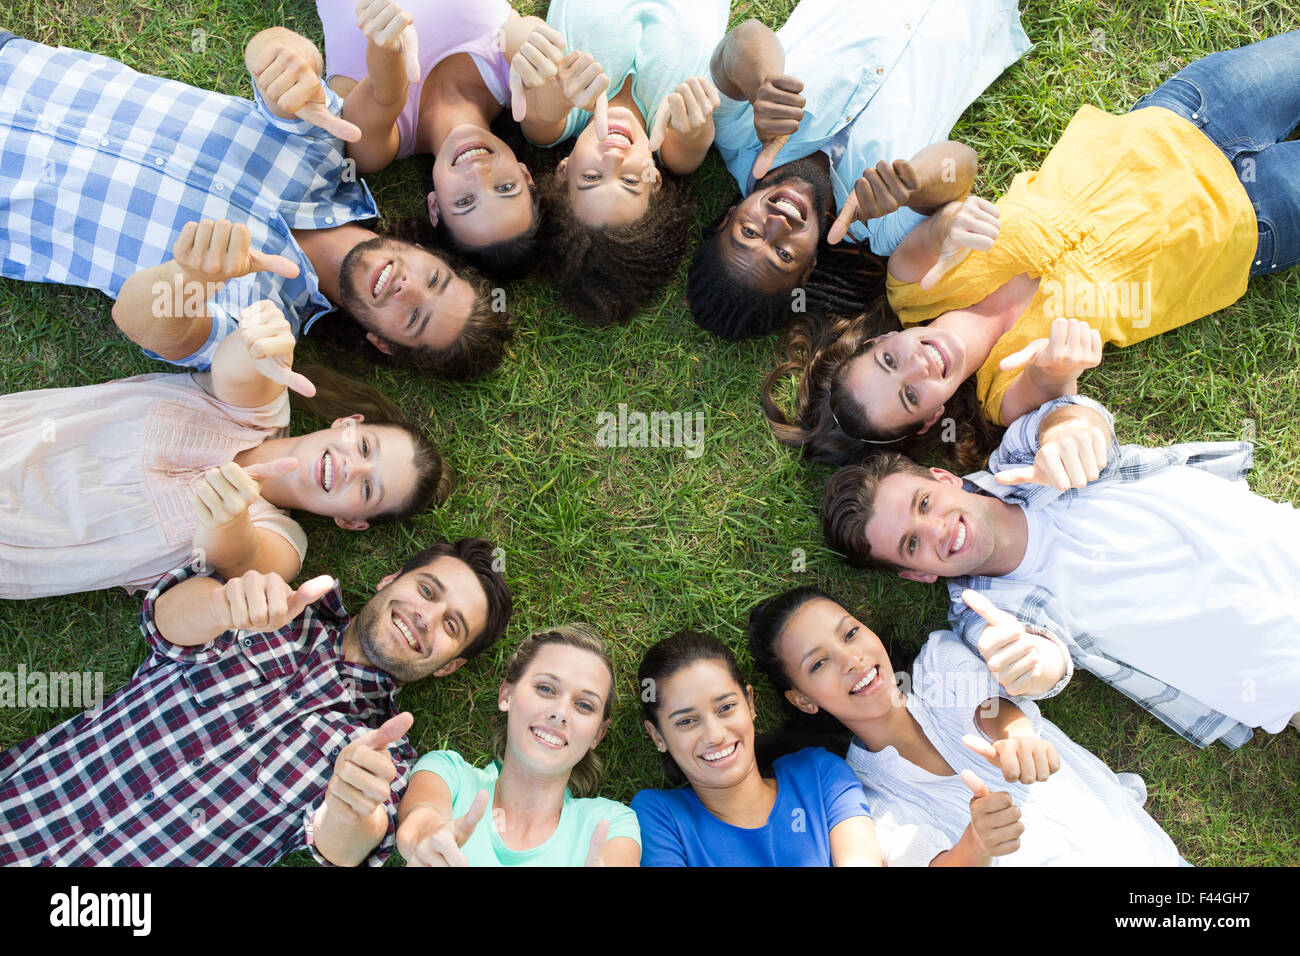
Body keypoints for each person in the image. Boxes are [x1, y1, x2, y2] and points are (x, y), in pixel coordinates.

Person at [790, 31, 1300, 464]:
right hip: (1246, 226)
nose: (917, 366)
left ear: (877, 343)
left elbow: (939, 227)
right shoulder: (1002, 398)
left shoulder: (912, 284)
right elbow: (1050, 394)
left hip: (1185, 120)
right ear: (929, 420)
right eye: (909, 395)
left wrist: (950, 221)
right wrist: (1057, 371)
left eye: (888, 363)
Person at [0, 29, 511, 381]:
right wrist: (286, 58)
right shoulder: (330, 155)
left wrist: (190, 277)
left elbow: (140, 321)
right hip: (22, 71)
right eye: (436, 279)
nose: (408, 288)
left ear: (383, 344)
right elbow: (278, 54)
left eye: (415, 318)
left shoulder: (262, 329)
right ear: (433, 253)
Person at [822, 393, 1300, 749]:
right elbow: (1047, 667)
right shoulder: (984, 616)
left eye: (923, 503)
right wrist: (1031, 666)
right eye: (911, 544)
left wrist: (1067, 433)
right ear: (918, 574)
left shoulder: (1019, 460)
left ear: (945, 478)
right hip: (1279, 670)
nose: (936, 529)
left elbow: (1075, 418)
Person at [0, 538, 512, 866]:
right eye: (427, 590)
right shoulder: (274, 607)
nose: (427, 616)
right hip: (20, 805)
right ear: (387, 581)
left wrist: (349, 804)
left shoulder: (385, 759)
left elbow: (342, 847)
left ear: (449, 665)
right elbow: (165, 625)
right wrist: (223, 604)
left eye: (451, 626)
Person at [0, 301, 448, 599]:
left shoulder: (283, 542)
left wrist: (230, 519)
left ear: (350, 521)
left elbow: (239, 557)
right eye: (366, 447)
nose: (353, 467)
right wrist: (258, 341)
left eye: (369, 487)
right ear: (347, 423)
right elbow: (240, 366)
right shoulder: (260, 408)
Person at [748, 586, 1185, 865]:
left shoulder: (938, 664)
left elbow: (990, 709)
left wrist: (1018, 740)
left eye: (850, 634)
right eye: (820, 662)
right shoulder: (861, 796)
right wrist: (975, 843)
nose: (852, 660)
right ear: (803, 699)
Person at [686, 0, 1030, 339]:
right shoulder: (880, 230)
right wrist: (914, 183)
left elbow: (743, 39)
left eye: (749, 232)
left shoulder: (736, 138)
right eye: (783, 254)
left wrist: (763, 85)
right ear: (808, 271)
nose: (778, 224)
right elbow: (964, 164)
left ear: (727, 217)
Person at [317, 624, 639, 866]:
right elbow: (421, 819)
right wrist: (426, 839)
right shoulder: (449, 773)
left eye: (584, 706)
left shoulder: (611, 823)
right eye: (545, 688)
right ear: (506, 695)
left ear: (598, 733)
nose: (560, 712)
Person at [505, 0, 727, 326]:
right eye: (629, 182)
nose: (614, 156)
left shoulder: (555, 122)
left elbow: (515, 42)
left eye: (592, 176)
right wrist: (694, 122)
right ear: (655, 181)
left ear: (564, 169)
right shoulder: (672, 145)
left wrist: (557, 88)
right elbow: (697, 138)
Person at [308, 0, 542, 277]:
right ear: (525, 174)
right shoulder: (514, 76)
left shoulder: (374, 148)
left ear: (435, 207)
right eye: (505, 188)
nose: (479, 174)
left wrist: (389, 49)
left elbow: (385, 91)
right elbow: (530, 36)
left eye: (465, 202)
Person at [631, 629, 885, 866]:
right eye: (686, 721)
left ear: (750, 703)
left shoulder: (819, 774)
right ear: (657, 736)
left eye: (726, 708)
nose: (715, 735)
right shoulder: (660, 815)